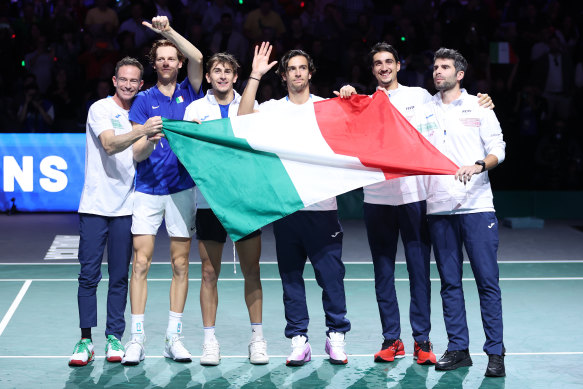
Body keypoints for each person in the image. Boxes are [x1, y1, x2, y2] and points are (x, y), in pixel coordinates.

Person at [338, 42, 493, 366]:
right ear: (373, 70)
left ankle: (421, 341)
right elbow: (342, 125)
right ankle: (391, 340)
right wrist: (346, 95)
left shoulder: (420, 97)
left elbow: (453, 104)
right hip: (377, 199)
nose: (383, 67)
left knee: (419, 272)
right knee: (383, 273)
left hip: (414, 199)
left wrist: (482, 100)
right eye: (377, 63)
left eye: (388, 61)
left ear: (398, 65)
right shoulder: (364, 103)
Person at [238, 43, 350, 366]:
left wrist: (349, 95)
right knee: (291, 279)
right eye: (292, 69)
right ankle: (299, 339)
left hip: (323, 209)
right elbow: (243, 118)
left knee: (331, 278)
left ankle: (335, 337)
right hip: (286, 208)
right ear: (284, 75)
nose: (298, 73)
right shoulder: (273, 109)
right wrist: (256, 75)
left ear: (310, 73)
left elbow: (357, 120)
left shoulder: (327, 106)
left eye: (303, 68)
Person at [417, 47, 506, 377]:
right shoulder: (424, 109)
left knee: (487, 283)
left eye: (444, 67)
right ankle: (458, 349)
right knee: (450, 284)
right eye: (435, 67)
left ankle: (495, 353)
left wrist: (479, 164)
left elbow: (498, 148)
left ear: (460, 74)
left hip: (477, 207)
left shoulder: (478, 106)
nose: (438, 71)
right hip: (438, 208)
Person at [121, 16, 204, 366]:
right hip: (149, 189)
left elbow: (200, 58)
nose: (167, 63)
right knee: (139, 262)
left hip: (182, 189)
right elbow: (135, 153)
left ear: (178, 63)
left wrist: (168, 33)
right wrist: (149, 139)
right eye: (161, 58)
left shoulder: (192, 92)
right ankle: (136, 339)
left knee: (181, 263)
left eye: (172, 58)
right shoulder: (143, 101)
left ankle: (173, 337)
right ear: (154, 65)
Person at [69, 57, 162, 366]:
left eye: (134, 81)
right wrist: (142, 131)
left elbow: (139, 153)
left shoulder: (139, 114)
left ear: (141, 85)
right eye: (123, 79)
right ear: (114, 80)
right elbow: (109, 145)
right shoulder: (100, 109)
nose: (128, 84)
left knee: (120, 276)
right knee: (89, 275)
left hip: (127, 208)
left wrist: (149, 139)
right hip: (95, 207)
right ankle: (85, 340)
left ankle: (113, 337)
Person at [182, 52, 268, 366]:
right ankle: (209, 342)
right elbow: (189, 152)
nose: (221, 75)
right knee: (208, 273)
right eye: (216, 70)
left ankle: (257, 339)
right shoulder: (195, 109)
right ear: (208, 77)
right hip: (208, 201)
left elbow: (252, 143)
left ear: (235, 77)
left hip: (244, 202)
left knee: (252, 271)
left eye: (228, 71)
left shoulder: (248, 106)